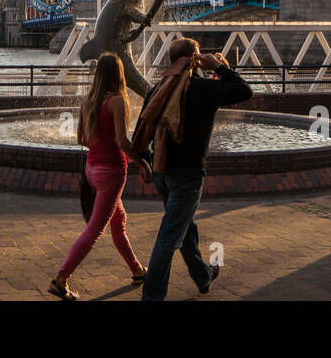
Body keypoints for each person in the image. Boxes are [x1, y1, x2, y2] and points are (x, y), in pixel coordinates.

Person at [133, 37, 251, 301]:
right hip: (187, 175)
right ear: (195, 60)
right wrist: (219, 67)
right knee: (169, 238)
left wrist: (144, 162)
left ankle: (202, 275)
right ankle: (151, 297)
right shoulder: (202, 89)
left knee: (184, 228)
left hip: (161, 172)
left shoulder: (157, 89)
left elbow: (142, 129)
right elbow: (244, 91)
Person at [49, 54, 150, 300]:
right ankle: (60, 279)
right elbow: (122, 141)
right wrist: (142, 163)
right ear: (120, 73)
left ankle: (137, 271)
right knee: (95, 230)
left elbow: (82, 139)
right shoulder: (117, 101)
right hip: (112, 171)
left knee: (119, 219)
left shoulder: (88, 100)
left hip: (92, 168)